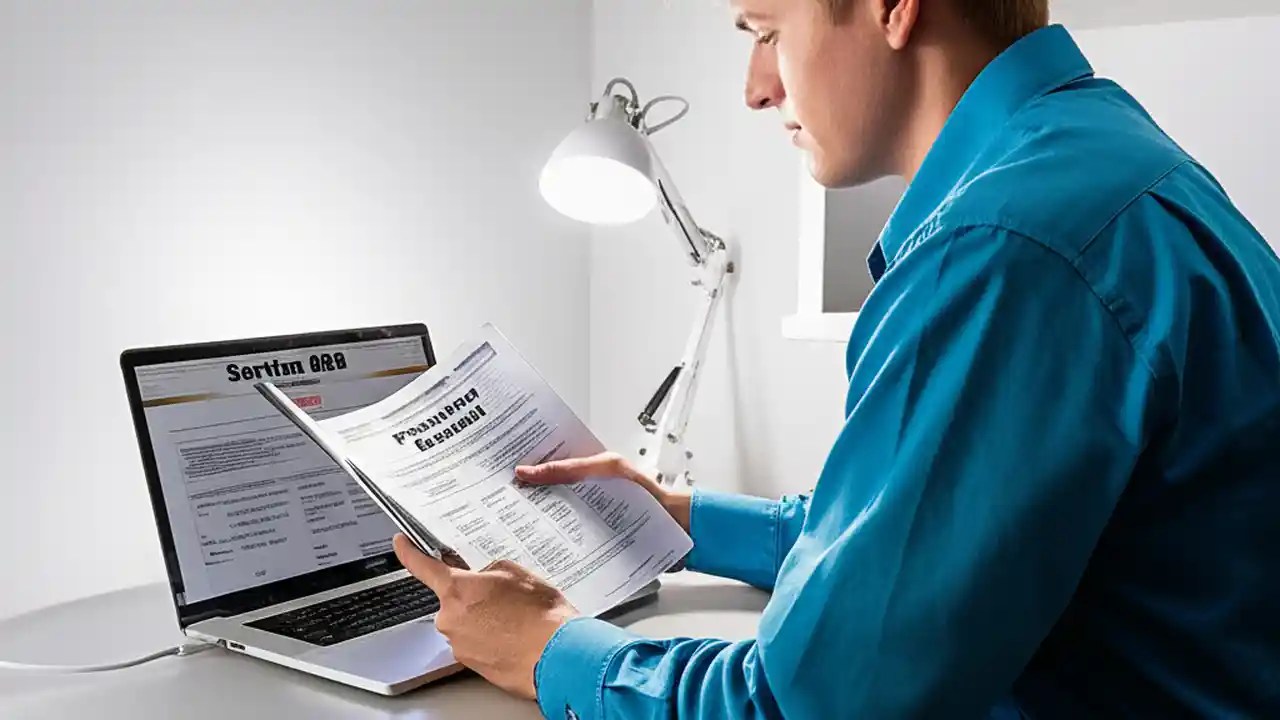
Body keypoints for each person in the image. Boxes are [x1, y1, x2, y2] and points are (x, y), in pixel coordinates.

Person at [392, 0, 1280, 716]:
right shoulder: (1094, 161)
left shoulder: (1005, 248)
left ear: (894, 8)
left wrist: (550, 647)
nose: (755, 88)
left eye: (768, 32)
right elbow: (939, 537)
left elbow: (813, 704)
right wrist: (683, 518)